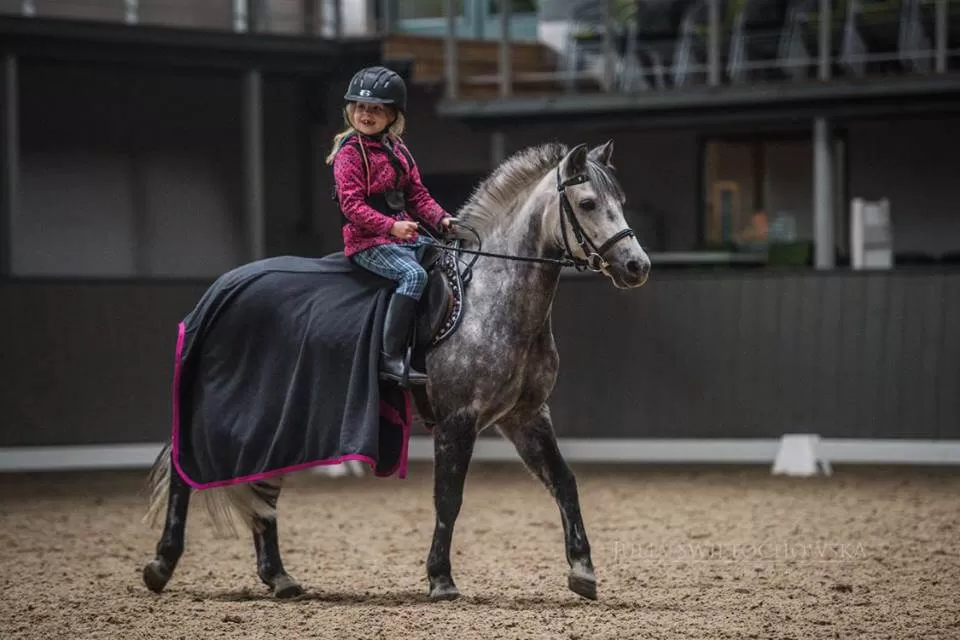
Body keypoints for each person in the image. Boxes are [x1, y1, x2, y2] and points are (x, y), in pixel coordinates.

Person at [326, 66, 455, 385]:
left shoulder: (398, 149)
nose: (365, 115)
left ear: (392, 115)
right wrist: (390, 228)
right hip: (367, 242)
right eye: (360, 107)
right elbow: (352, 206)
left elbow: (418, 195)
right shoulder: (350, 154)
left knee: (444, 255)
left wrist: (443, 219)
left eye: (375, 109)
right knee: (413, 275)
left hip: (399, 237)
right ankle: (390, 357)